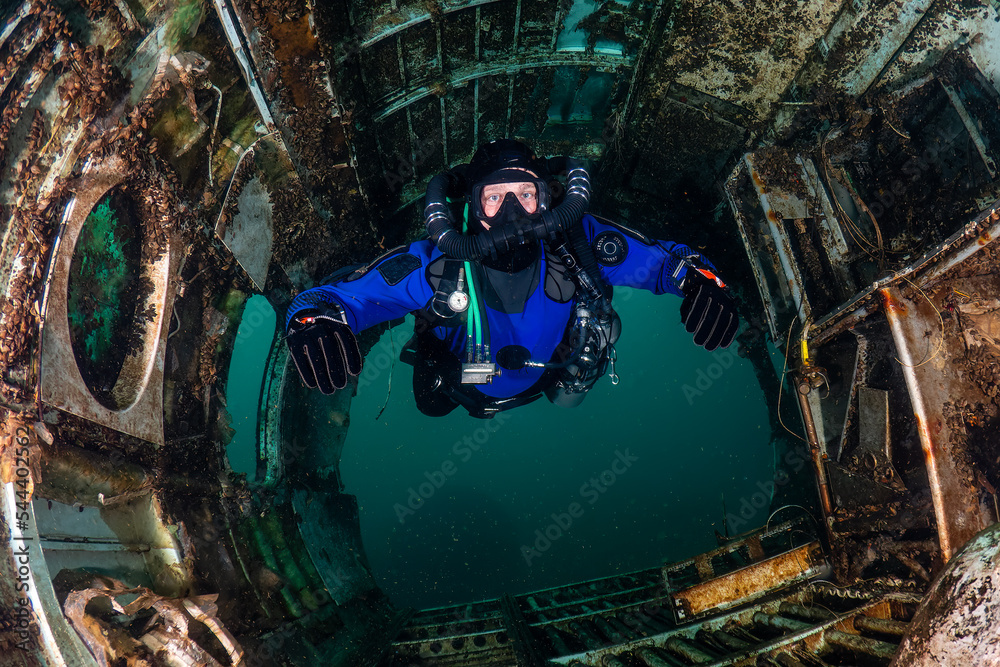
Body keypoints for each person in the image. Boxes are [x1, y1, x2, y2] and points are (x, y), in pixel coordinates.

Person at [284, 139, 739, 418]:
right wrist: (314, 322)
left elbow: (668, 263)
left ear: (546, 198)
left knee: (567, 396)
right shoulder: (437, 267)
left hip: (547, 379)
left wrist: (703, 282)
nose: (510, 215)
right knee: (431, 406)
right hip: (459, 388)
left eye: (524, 194)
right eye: (494, 199)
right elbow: (336, 299)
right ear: (470, 208)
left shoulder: (575, 245)